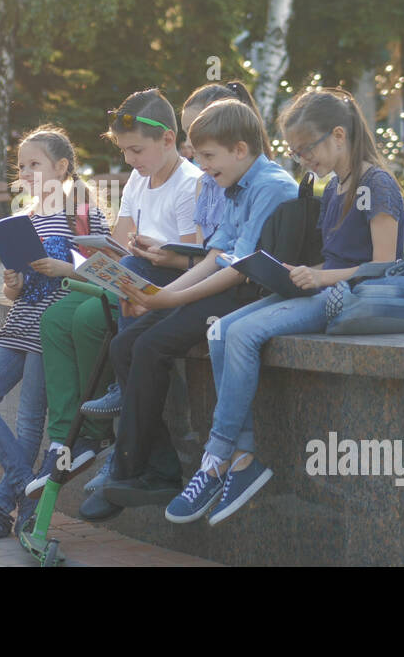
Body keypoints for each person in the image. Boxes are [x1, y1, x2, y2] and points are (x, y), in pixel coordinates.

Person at [163, 87, 404, 526]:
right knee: (220, 329)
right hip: (319, 287)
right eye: (294, 153)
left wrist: (320, 276)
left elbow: (383, 267)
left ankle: (216, 457)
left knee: (244, 332)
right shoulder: (336, 186)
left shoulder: (377, 185)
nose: (301, 160)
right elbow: (333, 257)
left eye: (305, 149)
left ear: (337, 135)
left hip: (349, 297)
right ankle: (242, 460)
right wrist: (290, 271)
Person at [79, 98, 299, 521]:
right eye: (198, 157)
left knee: (150, 345)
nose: (203, 169)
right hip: (226, 287)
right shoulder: (235, 181)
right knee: (126, 346)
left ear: (239, 149)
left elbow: (239, 270)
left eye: (208, 158)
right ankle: (154, 468)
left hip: (251, 296)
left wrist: (169, 299)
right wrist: (159, 296)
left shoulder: (269, 185)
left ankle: (130, 469)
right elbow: (216, 254)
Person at [28, 89, 200, 499]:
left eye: (136, 150)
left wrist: (150, 257)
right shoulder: (140, 181)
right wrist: (104, 254)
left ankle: (96, 430)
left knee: (88, 319)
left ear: (168, 140)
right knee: (54, 317)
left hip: (164, 285)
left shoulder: (189, 184)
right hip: (126, 276)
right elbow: (119, 242)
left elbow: (197, 257)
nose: (129, 161)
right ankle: (63, 434)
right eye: (124, 150)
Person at [0, 126, 111, 539]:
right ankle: (25, 487)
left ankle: (5, 506)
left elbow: (108, 274)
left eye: (35, 164)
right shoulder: (26, 217)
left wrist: (66, 268)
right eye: (22, 165)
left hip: (55, 328)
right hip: (21, 323)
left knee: (30, 424)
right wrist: (11, 283)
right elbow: (15, 291)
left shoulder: (83, 213)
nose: (25, 172)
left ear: (61, 167)